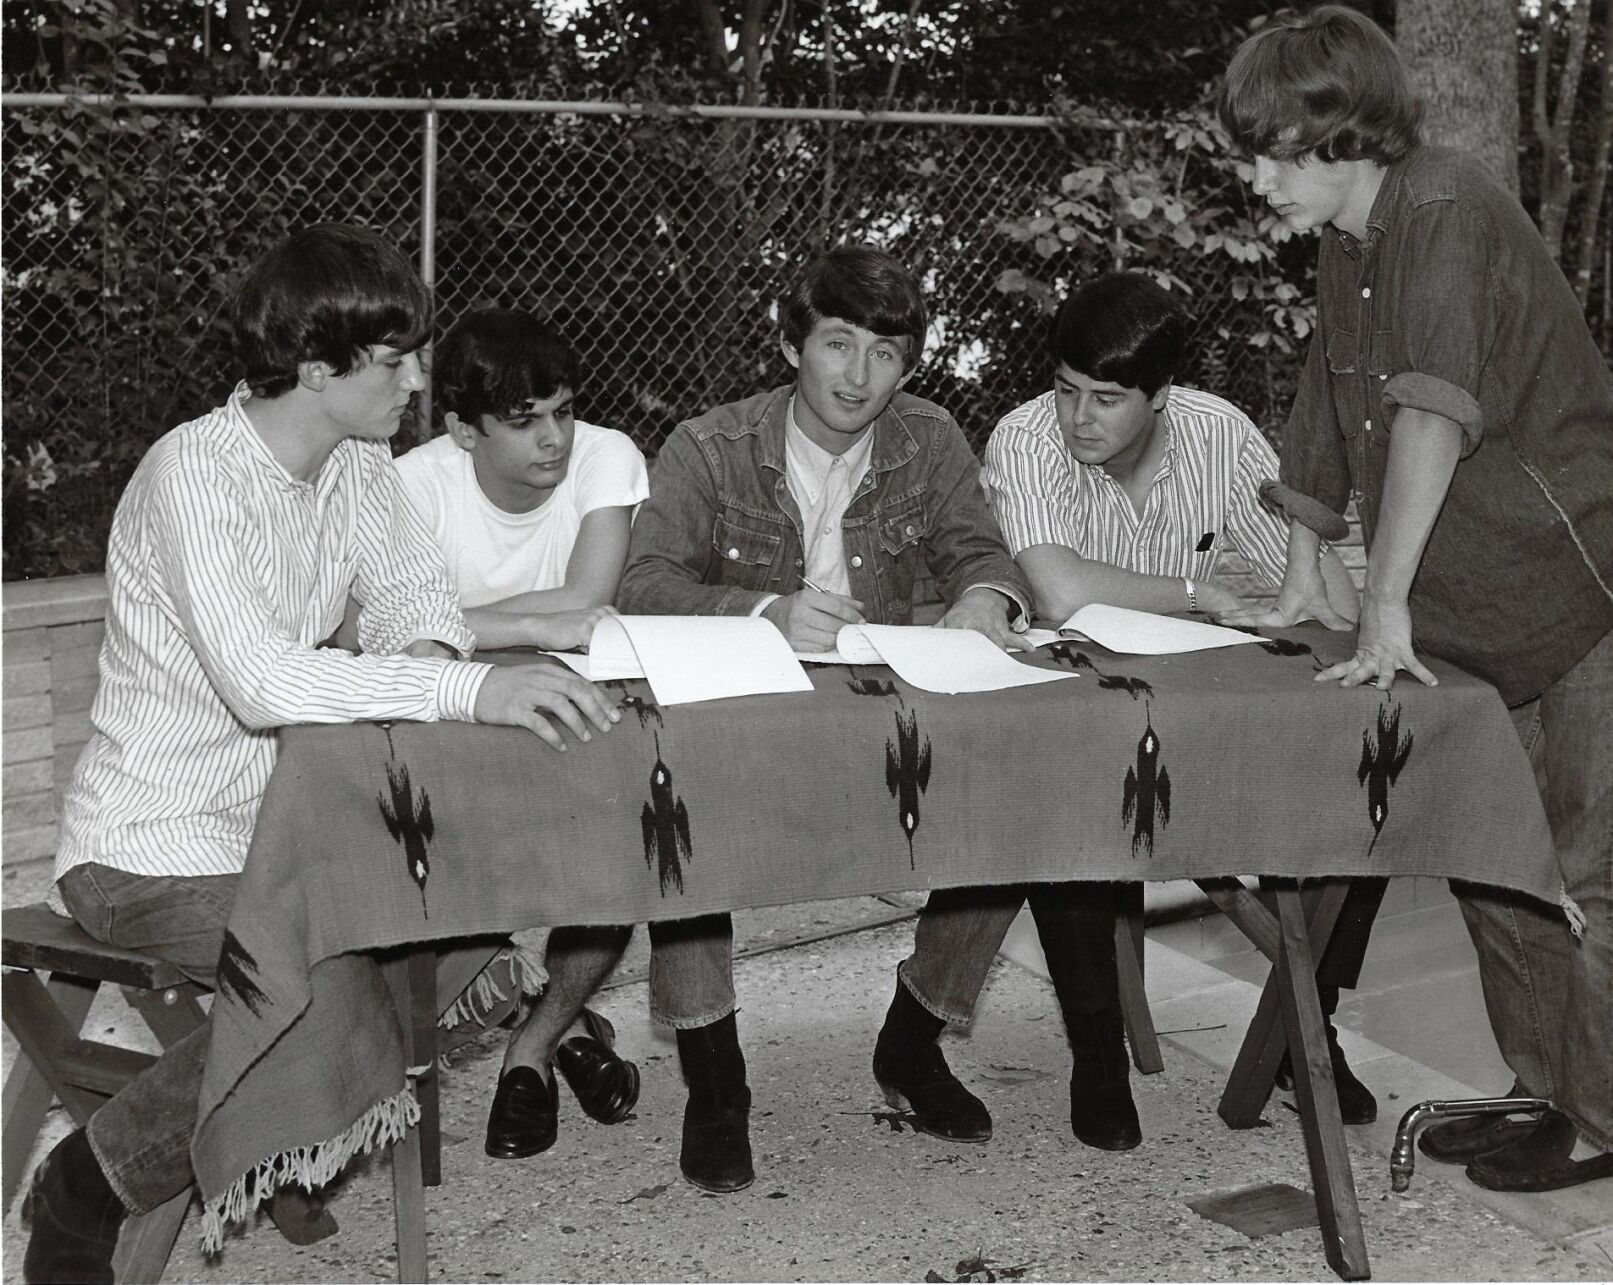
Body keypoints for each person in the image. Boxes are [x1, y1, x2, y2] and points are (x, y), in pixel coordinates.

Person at [21, 225, 621, 1285]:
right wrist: (466, 684)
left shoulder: (358, 463)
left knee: (465, 925)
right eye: (393, 360)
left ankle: (247, 1123)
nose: (418, 380)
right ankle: (86, 1188)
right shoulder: (192, 476)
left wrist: (437, 655)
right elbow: (264, 681)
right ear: (312, 370)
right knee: (328, 983)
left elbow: (414, 606)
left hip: (295, 831)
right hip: (148, 849)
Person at [1218, 4, 1613, 1192]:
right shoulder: (1351, 240)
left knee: (1587, 877)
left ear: (1343, 133)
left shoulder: (1438, 209)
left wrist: (1377, 604)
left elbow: (1429, 409)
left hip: (1568, 591)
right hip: (1468, 611)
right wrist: (1296, 564)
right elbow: (1328, 400)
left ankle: (1601, 1119)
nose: (1256, 178)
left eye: (1274, 151)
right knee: (1493, 859)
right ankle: (1546, 1088)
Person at [874, 270, 1364, 1162]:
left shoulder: (1220, 434)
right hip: (1066, 729)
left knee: (1369, 765)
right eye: (1065, 391)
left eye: (1105, 399)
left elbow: (1319, 603)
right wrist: (1200, 593)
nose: (1077, 419)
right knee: (1056, 797)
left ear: (1161, 396)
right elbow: (1058, 586)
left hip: (1200, 718)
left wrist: (1305, 586)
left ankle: (1304, 1024)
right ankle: (1094, 1054)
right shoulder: (1024, 439)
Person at [616, 244, 1034, 1193]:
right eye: (837, 345)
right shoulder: (707, 444)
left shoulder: (930, 440)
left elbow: (983, 553)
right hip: (746, 711)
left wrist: (984, 600)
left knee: (1022, 784)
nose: (858, 376)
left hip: (882, 704)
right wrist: (763, 611)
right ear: (790, 341)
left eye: (884, 353)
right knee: (673, 800)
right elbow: (640, 585)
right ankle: (715, 1079)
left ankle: (915, 1038)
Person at [393, 306, 649, 1160]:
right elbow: (385, 636)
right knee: (425, 869)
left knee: (621, 854)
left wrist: (457, 621)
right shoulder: (412, 485)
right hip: (457, 722)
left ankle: (530, 1050)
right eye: (522, 419)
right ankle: (570, 1023)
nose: (554, 439)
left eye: (563, 410)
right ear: (463, 430)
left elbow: (585, 608)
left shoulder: (607, 455)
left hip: (575, 717)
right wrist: (521, 627)